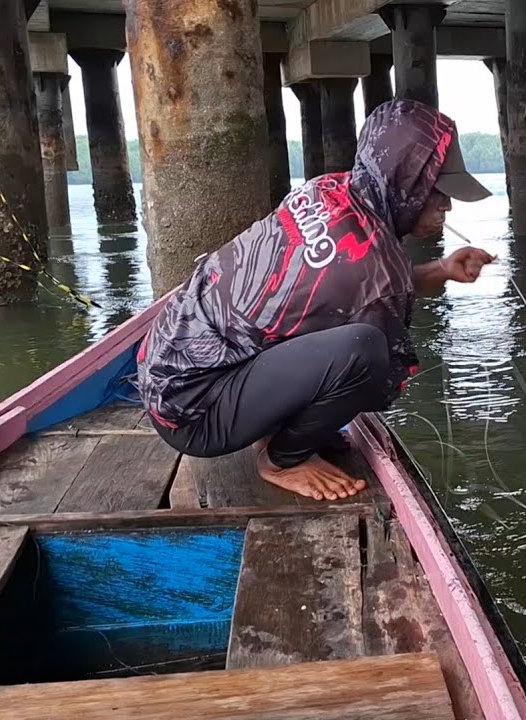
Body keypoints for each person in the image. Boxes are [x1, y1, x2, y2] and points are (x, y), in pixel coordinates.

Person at [136, 99, 495, 501]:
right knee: (367, 353)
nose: (448, 205)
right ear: (406, 184)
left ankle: (267, 422)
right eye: (439, 191)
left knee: (339, 333)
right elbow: (377, 387)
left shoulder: (328, 190)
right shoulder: (380, 275)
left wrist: (441, 270)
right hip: (193, 418)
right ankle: (282, 460)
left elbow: (345, 288)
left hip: (161, 370)